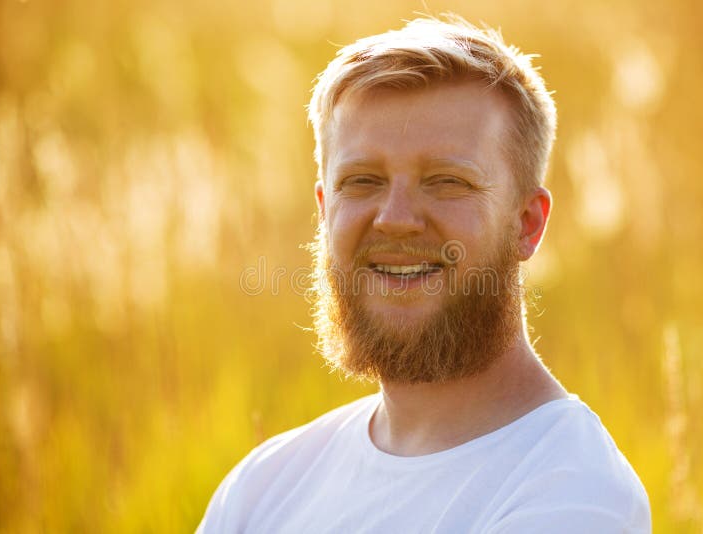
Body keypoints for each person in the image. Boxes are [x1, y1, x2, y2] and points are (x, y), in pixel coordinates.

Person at [198, 14, 651, 533]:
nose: (395, 218)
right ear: (324, 211)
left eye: (446, 181)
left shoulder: (574, 492)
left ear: (527, 223)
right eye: (362, 180)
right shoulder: (261, 488)